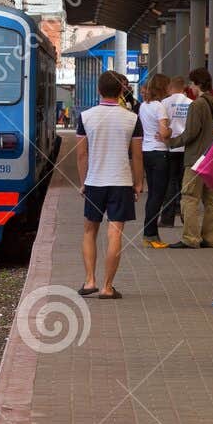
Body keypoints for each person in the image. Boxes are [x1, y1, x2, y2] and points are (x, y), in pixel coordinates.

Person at [76, 70, 145, 300]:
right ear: (121, 91)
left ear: (98, 90)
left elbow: (82, 155)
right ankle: (107, 287)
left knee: (89, 231)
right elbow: (137, 156)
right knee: (115, 234)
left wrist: (83, 182)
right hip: (121, 182)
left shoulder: (85, 117)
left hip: (94, 182)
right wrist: (138, 183)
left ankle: (89, 281)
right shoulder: (132, 119)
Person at [174, 68, 213, 248]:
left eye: (192, 83)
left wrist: (171, 142)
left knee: (189, 197)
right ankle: (210, 238)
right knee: (212, 200)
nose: (191, 88)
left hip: (195, 159)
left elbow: (191, 133)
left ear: (198, 84)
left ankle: (191, 238)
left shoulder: (197, 105)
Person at [137, 74, 170, 247]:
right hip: (159, 153)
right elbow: (164, 133)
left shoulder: (143, 106)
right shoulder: (159, 107)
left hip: (147, 151)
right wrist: (170, 131)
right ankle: (150, 235)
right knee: (158, 196)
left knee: (152, 196)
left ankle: (152, 235)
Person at [159, 73, 192, 230]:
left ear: (171, 88)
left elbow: (163, 125)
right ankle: (187, 218)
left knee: (170, 182)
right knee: (185, 184)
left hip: (170, 146)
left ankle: (167, 218)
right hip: (187, 146)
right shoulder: (192, 103)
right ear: (184, 88)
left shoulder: (164, 103)